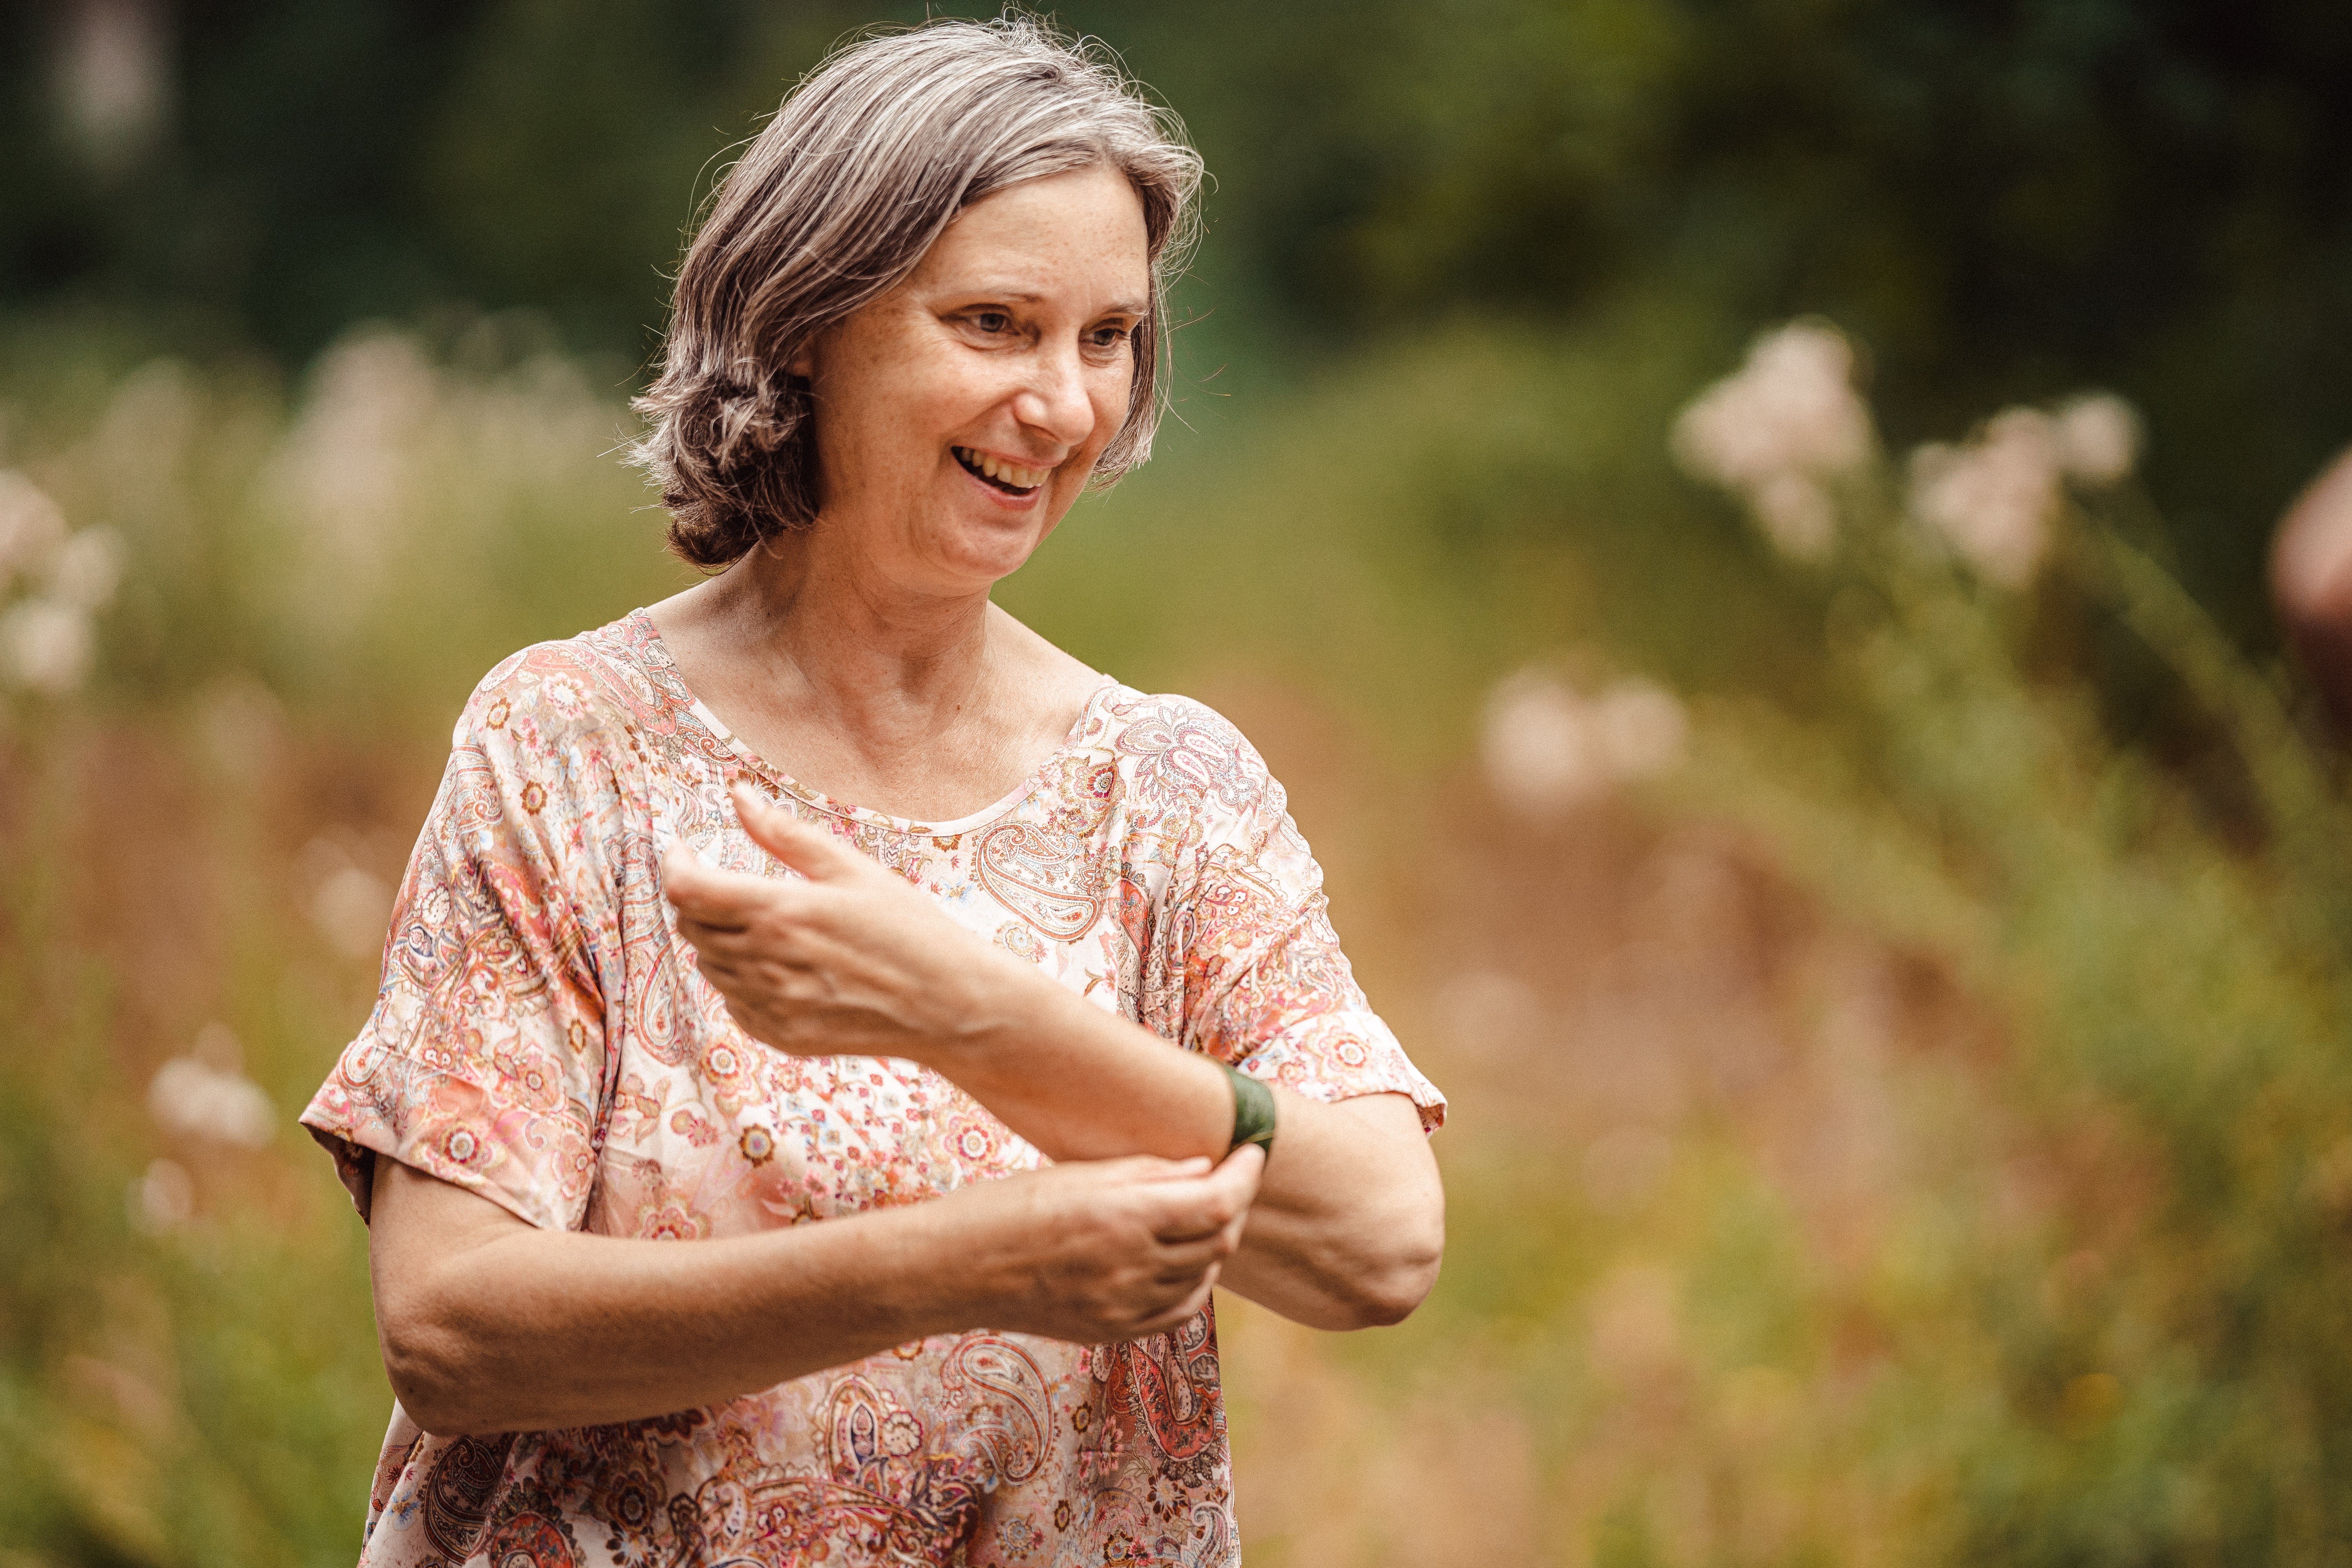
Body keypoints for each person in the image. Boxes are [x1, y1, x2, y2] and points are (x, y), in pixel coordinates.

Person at [300, 15, 1446, 1566]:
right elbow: (451, 1327)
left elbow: (1379, 1234)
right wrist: (960, 1261)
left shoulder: (1169, 787)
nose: (1063, 404)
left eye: (1105, 337)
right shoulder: (569, 745)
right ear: (806, 326)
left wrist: (975, 1016)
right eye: (994, 323)